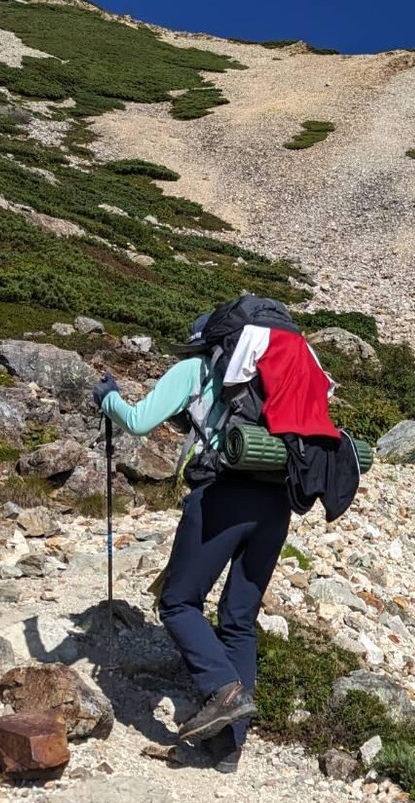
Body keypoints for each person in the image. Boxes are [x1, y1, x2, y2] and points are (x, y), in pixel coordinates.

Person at [92, 313, 291, 773]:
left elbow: (140, 421)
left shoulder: (197, 370)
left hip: (221, 496)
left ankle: (223, 690)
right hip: (276, 501)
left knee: (179, 602)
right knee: (238, 620)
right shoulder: (273, 379)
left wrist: (109, 400)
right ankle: (228, 749)